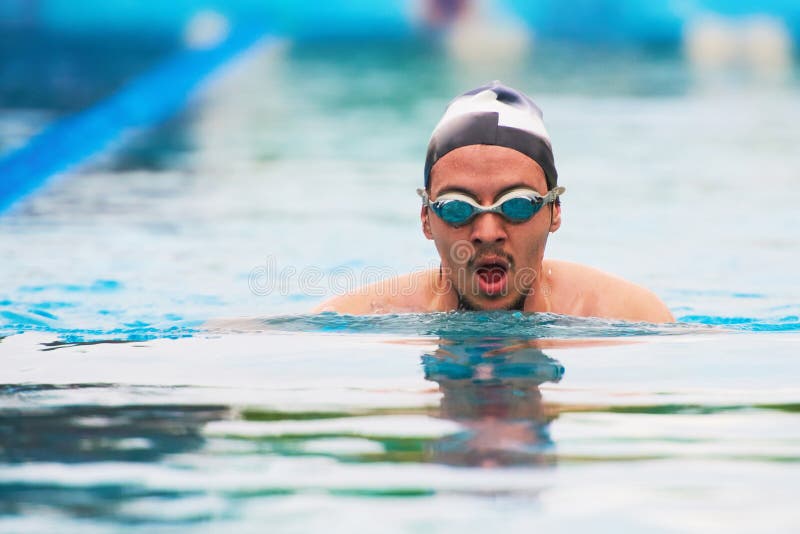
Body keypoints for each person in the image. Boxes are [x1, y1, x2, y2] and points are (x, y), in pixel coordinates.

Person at [314, 81, 674, 322]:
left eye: (517, 204)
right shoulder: (356, 319)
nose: (487, 232)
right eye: (458, 207)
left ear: (554, 211)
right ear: (426, 218)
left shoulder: (631, 316)